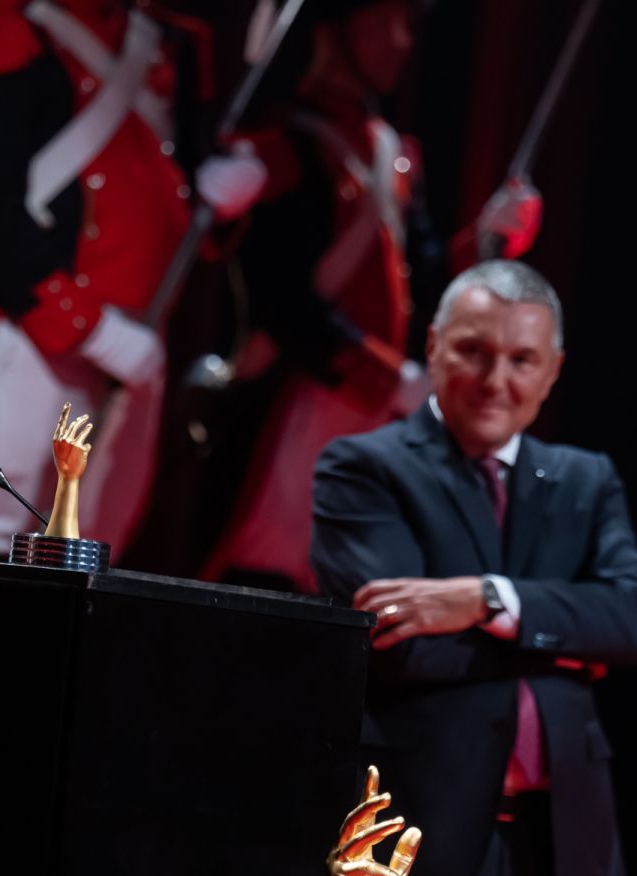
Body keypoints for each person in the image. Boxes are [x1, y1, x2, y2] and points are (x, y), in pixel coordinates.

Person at [310, 260, 637, 876]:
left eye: (522, 359)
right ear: (435, 344)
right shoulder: (363, 467)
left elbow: (634, 621)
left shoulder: (584, 479)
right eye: (474, 350)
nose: (496, 378)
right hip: (412, 845)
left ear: (554, 369)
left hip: (549, 850)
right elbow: (395, 646)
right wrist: (565, 645)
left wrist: (485, 600)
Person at [0, 0, 267, 571]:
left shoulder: (171, 44)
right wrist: (88, 327)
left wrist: (226, 198)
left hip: (141, 339)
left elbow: (178, 190)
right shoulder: (12, 25)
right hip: (35, 327)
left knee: (94, 547)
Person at [201, 0, 541, 593]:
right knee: (261, 578)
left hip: (366, 414)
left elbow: (424, 280)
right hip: (293, 405)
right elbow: (284, 303)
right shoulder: (285, 144)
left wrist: (486, 238)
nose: (403, 41)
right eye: (388, 21)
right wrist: (390, 378)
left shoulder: (393, 153)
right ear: (336, 27)